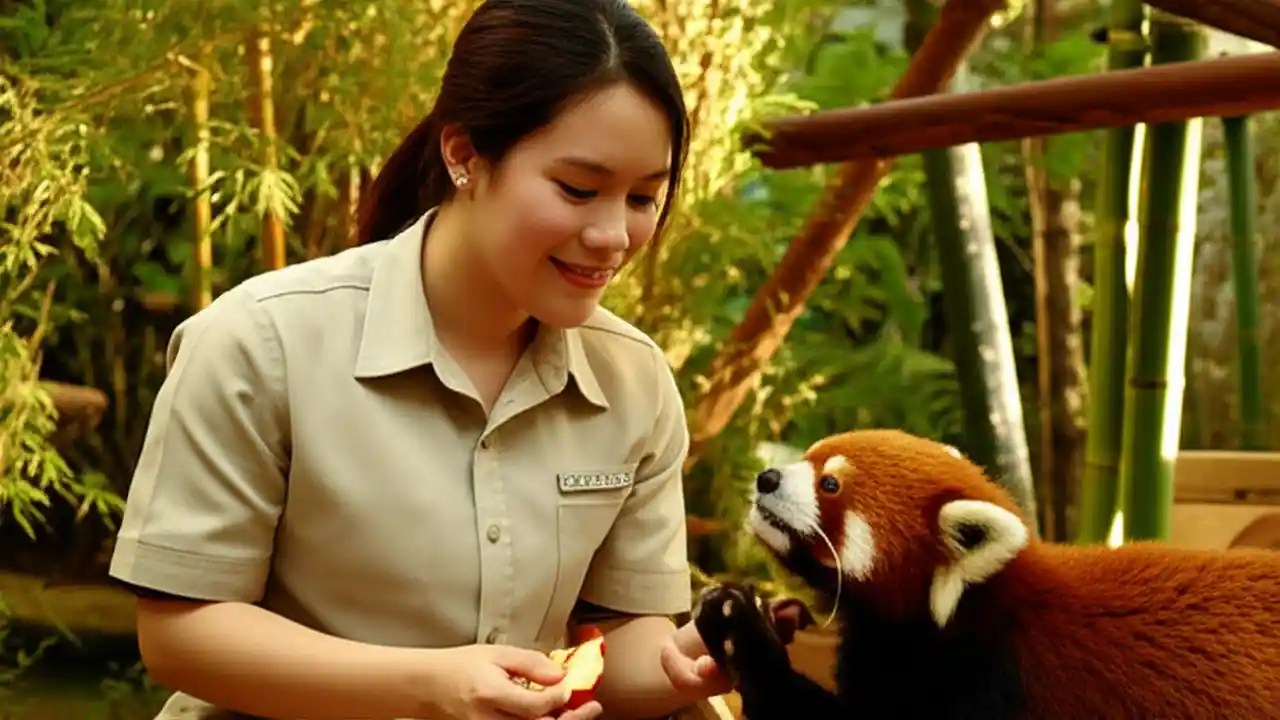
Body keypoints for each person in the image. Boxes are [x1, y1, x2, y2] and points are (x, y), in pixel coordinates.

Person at [107, 1, 733, 718]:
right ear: (463, 154)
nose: (613, 234)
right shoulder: (259, 343)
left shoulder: (635, 381)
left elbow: (619, 640)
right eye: (578, 190)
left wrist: (684, 665)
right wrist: (430, 686)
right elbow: (179, 634)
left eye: (644, 197)